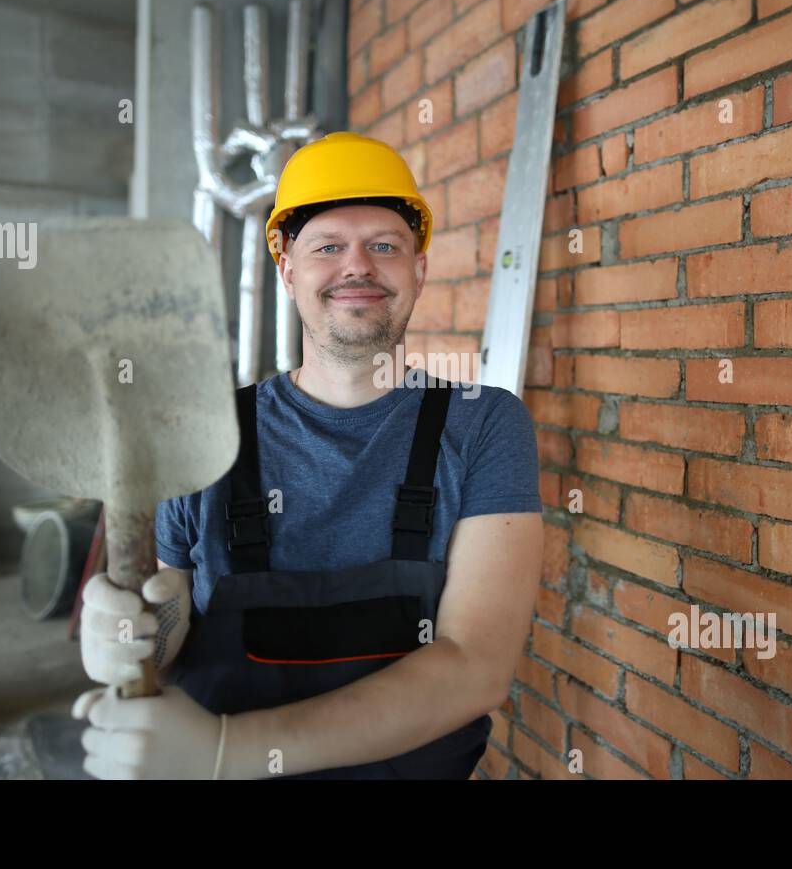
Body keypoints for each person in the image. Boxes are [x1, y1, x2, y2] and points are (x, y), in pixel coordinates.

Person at [72, 131, 544, 779]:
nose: (358, 266)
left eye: (385, 245)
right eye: (328, 247)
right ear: (288, 269)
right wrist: (131, 636)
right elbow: (173, 601)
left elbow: (474, 666)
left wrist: (224, 753)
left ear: (419, 270)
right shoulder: (201, 433)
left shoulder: (484, 422)